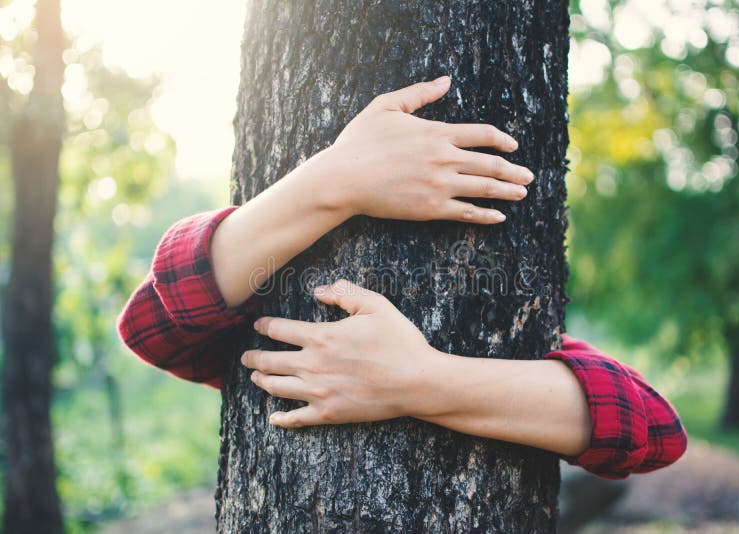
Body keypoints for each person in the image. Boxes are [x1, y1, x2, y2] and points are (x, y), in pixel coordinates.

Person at [117, 76, 687, 480]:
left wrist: (418, 381)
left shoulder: (512, 339)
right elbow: (150, 325)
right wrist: (335, 181)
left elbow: (654, 429)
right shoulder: (290, 347)